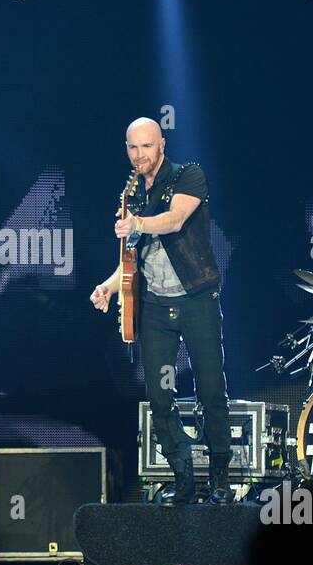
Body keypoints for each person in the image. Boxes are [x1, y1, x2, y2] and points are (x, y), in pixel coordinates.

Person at [90, 117, 232, 504]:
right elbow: (130, 256)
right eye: (133, 148)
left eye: (147, 147)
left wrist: (138, 222)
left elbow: (174, 220)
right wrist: (108, 285)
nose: (140, 155)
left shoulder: (189, 176)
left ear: (161, 145)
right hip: (154, 306)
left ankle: (219, 474)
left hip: (196, 297)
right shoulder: (131, 195)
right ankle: (182, 473)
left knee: (211, 389)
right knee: (159, 396)